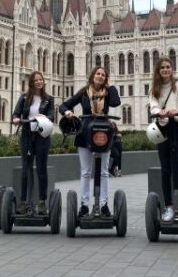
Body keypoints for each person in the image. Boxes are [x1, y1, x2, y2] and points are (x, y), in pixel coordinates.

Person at [59, 66, 121, 217]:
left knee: (104, 171)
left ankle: (104, 204)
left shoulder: (108, 92)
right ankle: (84, 205)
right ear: (92, 75)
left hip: (103, 133)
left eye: (103, 75)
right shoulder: (83, 92)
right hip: (85, 132)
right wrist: (67, 112)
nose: (100, 76)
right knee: (86, 172)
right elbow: (64, 105)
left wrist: (111, 85)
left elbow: (115, 102)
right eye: (98, 74)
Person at [149, 57, 178, 223]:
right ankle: (168, 206)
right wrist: (158, 111)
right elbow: (153, 104)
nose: (165, 70)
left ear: (172, 69)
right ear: (158, 70)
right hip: (163, 129)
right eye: (162, 67)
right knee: (166, 170)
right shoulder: (154, 88)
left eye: (168, 67)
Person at [11, 71, 55, 212]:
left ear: (43, 81)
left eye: (40, 79)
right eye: (36, 80)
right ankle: (24, 201)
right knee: (26, 168)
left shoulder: (49, 99)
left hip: (42, 135)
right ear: (31, 82)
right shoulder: (24, 98)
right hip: (27, 134)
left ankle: (42, 201)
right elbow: (15, 114)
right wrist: (15, 119)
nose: (38, 82)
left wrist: (44, 116)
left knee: (41, 169)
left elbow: (51, 116)